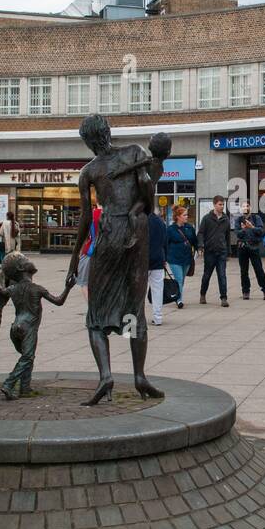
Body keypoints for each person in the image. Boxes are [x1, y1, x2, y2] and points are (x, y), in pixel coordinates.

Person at [64, 116, 170, 405]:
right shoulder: (134, 152)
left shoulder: (89, 171)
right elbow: (148, 193)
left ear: (86, 141)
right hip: (135, 231)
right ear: (109, 132)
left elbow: (86, 219)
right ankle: (139, 377)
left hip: (109, 235)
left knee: (96, 316)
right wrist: (141, 203)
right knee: (134, 308)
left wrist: (75, 259)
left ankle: (106, 376)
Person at [0, 259, 66, 400]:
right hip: (28, 328)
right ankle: (8, 384)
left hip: (15, 328)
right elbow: (59, 301)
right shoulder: (37, 289)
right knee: (27, 357)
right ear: (22, 269)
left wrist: (0, 279)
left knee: (27, 357)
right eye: (25, 262)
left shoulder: (12, 289)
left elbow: (2, 291)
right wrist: (68, 287)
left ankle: (25, 387)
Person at [198, 195, 231, 307]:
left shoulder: (226, 219)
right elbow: (201, 233)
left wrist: (228, 251)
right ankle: (203, 294)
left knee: (222, 275)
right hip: (210, 251)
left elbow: (227, 236)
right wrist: (201, 245)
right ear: (214, 204)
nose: (222, 206)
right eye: (220, 204)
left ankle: (224, 298)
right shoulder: (207, 218)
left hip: (221, 251)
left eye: (223, 204)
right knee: (207, 275)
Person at [235, 202, 265, 301]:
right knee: (244, 271)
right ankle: (246, 291)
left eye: (247, 206)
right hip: (242, 248)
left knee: (258, 269)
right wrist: (243, 229)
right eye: (243, 206)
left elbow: (261, 232)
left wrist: (252, 227)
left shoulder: (256, 218)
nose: (245, 208)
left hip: (254, 247)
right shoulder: (238, 220)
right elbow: (237, 234)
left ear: (250, 207)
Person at [165, 205, 197, 310]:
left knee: (182, 280)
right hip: (174, 259)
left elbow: (194, 241)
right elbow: (165, 244)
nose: (187, 216)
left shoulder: (189, 228)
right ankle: (179, 300)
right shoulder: (170, 229)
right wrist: (164, 257)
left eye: (187, 215)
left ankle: (177, 295)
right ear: (178, 217)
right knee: (178, 279)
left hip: (186, 258)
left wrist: (199, 248)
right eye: (184, 215)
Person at [147, 209, 168, 326]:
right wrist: (165, 258)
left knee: (138, 291)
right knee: (157, 290)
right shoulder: (160, 222)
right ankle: (158, 317)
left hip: (142, 261)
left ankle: (137, 316)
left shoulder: (139, 220)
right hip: (158, 259)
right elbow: (165, 242)